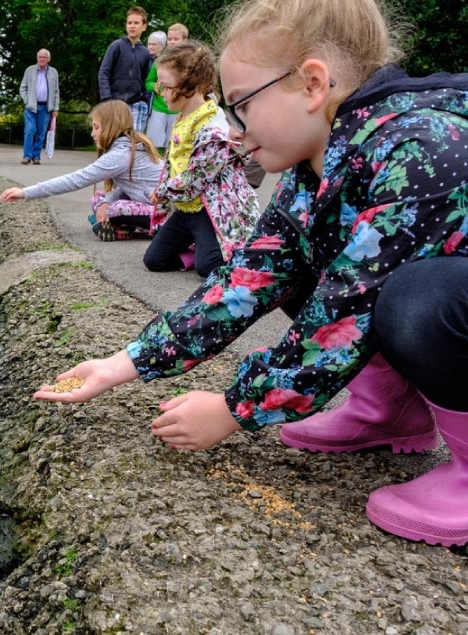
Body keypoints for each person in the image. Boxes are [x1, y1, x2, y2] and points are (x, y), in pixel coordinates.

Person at [33, 0, 468, 548]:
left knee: (416, 298)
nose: (233, 130)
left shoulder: (425, 146)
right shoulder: (316, 163)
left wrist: (235, 409)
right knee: (302, 261)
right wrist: (120, 365)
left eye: (240, 108)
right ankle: (389, 412)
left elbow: (347, 307)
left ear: (312, 83)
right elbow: (247, 280)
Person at [143, 40, 259, 277]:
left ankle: (222, 249)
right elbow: (173, 160)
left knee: (210, 267)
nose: (160, 91)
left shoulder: (212, 129)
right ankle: (196, 249)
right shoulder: (183, 115)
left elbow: (196, 178)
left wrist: (164, 190)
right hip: (186, 207)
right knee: (154, 260)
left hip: (209, 209)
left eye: (165, 86)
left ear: (190, 85)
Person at [0, 99, 164, 241]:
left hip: (165, 213)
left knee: (116, 209)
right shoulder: (125, 149)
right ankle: (123, 227)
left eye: (96, 127)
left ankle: (132, 227)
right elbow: (127, 188)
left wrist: (25, 193)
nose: (92, 134)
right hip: (149, 205)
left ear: (111, 127)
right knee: (99, 199)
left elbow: (75, 180)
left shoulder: (120, 155)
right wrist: (106, 201)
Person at [98, 6, 152, 133]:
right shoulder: (116, 46)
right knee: (113, 138)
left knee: (134, 141)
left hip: (136, 104)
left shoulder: (145, 52)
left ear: (144, 26)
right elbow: (103, 73)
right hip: (115, 103)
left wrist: (145, 99)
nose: (132, 26)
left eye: (136, 23)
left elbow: (146, 80)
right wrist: (107, 99)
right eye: (129, 23)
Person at [18, 49, 60, 165]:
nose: (42, 59)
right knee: (30, 130)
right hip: (31, 107)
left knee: (41, 133)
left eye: (44, 57)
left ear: (48, 59)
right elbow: (22, 88)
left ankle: (36, 156)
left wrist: (56, 108)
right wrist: (27, 101)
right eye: (40, 57)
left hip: (46, 107)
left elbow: (56, 92)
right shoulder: (30, 70)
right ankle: (27, 156)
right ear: (37, 58)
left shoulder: (53, 72)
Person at [143, 27, 181, 151]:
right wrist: (154, 86)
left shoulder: (188, 61)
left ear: (184, 40)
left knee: (173, 146)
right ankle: (156, 169)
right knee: (153, 145)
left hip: (178, 110)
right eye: (170, 39)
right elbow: (148, 82)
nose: (172, 42)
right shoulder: (160, 61)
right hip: (158, 109)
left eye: (176, 39)